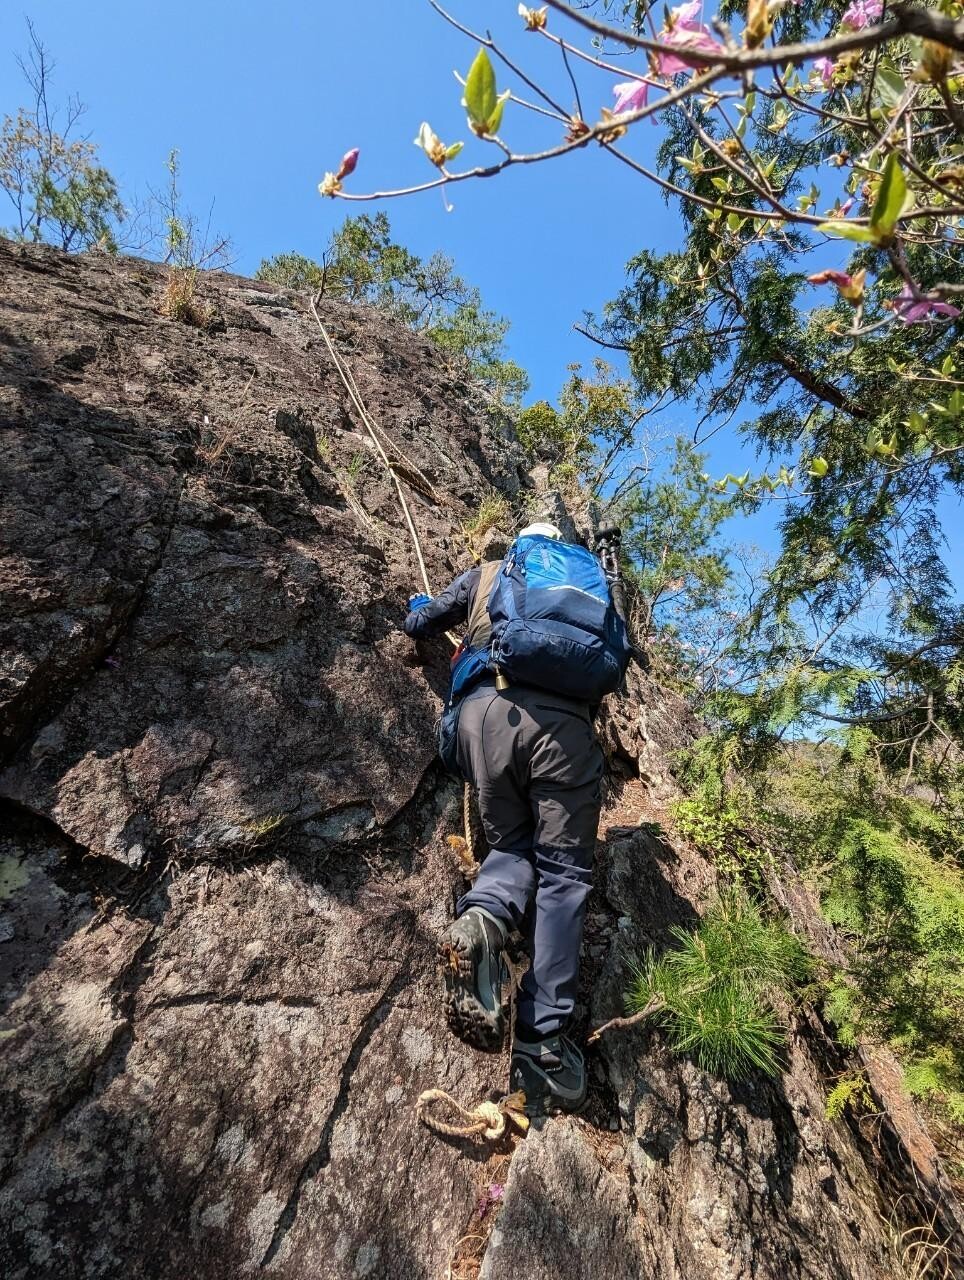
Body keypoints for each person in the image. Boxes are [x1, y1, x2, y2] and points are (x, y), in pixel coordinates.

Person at [404, 522, 606, 1114]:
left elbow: (422, 621)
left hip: (480, 717)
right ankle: (541, 1044)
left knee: (511, 851)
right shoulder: (587, 588)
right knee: (563, 875)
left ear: (517, 547)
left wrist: (419, 604)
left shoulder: (488, 573)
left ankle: (486, 921)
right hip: (560, 731)